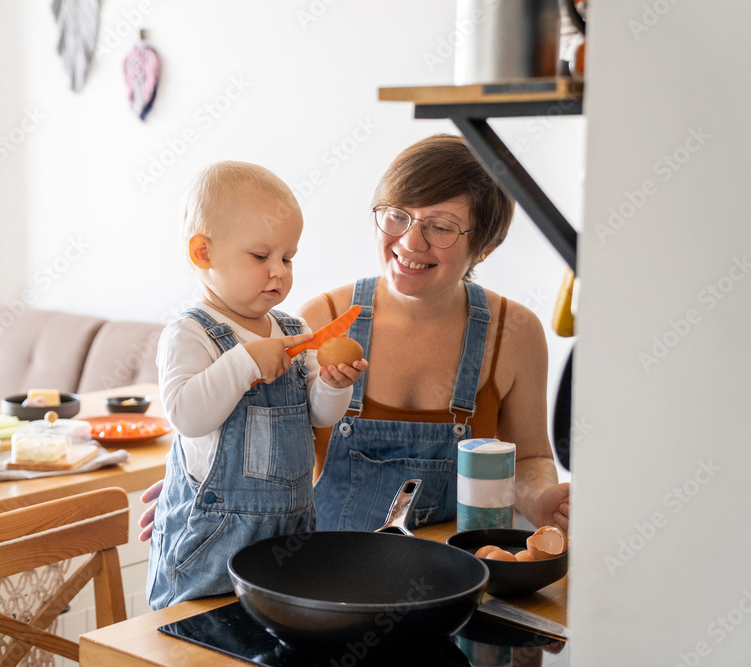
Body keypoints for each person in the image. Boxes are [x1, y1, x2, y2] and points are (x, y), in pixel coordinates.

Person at [139, 134, 570, 544]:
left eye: (441, 227)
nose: (410, 241)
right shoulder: (317, 320)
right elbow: (250, 429)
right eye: (398, 215)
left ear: (485, 248)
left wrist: (542, 499)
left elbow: (529, 458)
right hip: (325, 573)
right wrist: (198, 485)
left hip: (451, 572)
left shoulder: (513, 333)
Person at [145, 161, 367, 610]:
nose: (279, 272)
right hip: (212, 543)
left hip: (288, 536)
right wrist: (243, 361)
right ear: (203, 253)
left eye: (288, 258)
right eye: (260, 256)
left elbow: (319, 416)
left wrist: (332, 384)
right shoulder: (191, 333)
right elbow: (187, 416)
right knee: (198, 644)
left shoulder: (291, 326)